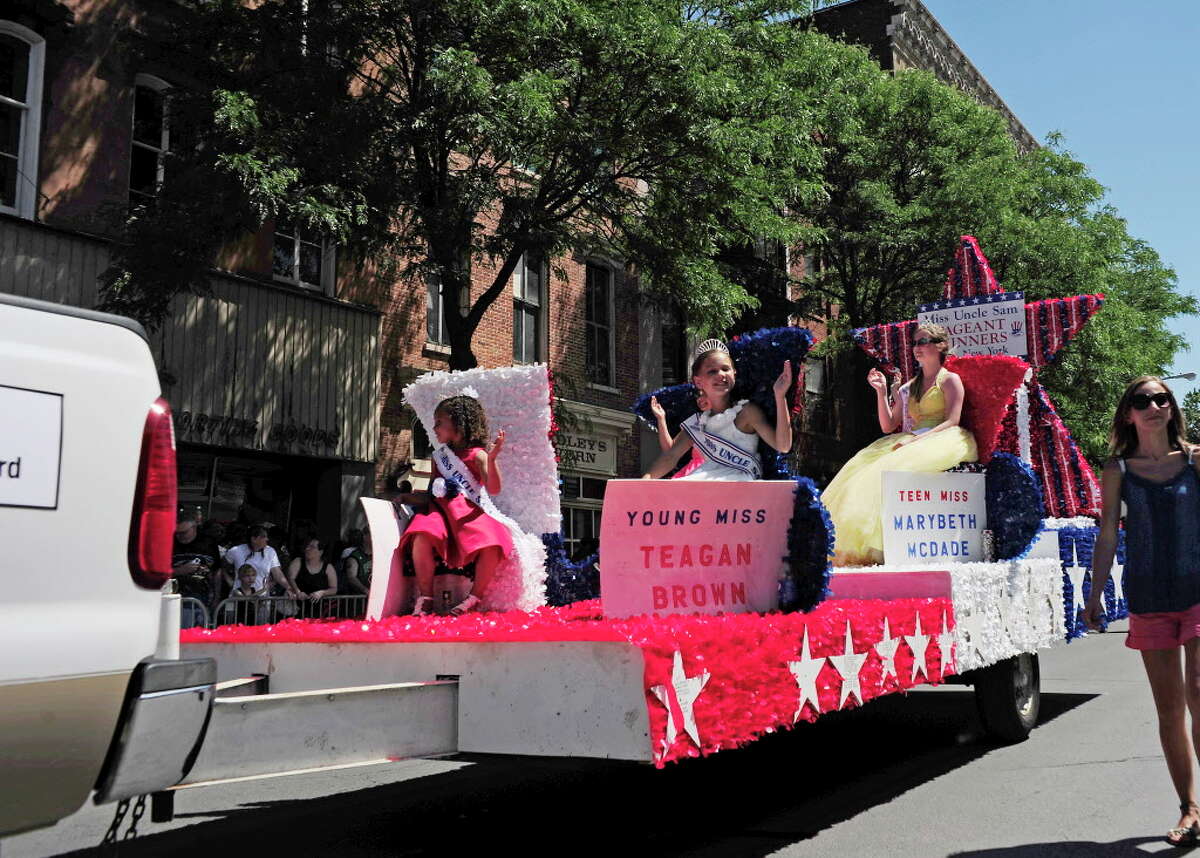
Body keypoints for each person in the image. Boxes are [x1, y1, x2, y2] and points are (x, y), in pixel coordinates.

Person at [1086, 376, 1200, 847]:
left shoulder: (1194, 461)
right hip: (1148, 596)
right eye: (1142, 400)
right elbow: (1109, 532)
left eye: (1161, 398)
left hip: (1198, 590)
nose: (1154, 405)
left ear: (1171, 409)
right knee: (1169, 709)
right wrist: (1094, 595)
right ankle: (1190, 808)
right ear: (1129, 413)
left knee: (1198, 692)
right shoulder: (1118, 468)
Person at [820, 323, 977, 566]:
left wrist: (919, 442)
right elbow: (888, 425)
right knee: (862, 469)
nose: (917, 347)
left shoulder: (950, 380)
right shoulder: (909, 386)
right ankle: (862, 544)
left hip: (943, 437)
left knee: (889, 467)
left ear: (941, 346)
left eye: (923, 342)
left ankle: (887, 543)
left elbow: (952, 421)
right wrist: (881, 393)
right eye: (915, 342)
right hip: (910, 438)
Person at [397, 395, 514, 616]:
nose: (435, 427)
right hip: (439, 513)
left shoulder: (478, 455)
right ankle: (426, 597)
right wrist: (405, 498)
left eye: (439, 422)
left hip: (466, 514)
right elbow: (429, 493)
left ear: (458, 422)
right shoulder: (440, 456)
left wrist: (492, 459)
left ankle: (474, 598)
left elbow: (494, 488)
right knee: (421, 534)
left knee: (494, 541)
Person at [642, 340, 792, 481]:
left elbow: (783, 446)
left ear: (734, 373)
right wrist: (642, 482)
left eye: (725, 369)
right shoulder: (696, 424)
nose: (721, 374)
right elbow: (670, 456)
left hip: (740, 489)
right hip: (703, 483)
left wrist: (780, 396)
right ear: (698, 381)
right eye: (712, 371)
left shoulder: (747, 413)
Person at [224, 525, 293, 597]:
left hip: (261, 600)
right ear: (254, 539)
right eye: (264, 537)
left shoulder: (270, 551)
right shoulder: (236, 550)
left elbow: (277, 573)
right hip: (239, 598)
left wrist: (288, 587)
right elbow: (223, 566)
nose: (267, 539)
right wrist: (230, 582)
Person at [171, 510, 221, 609]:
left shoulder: (208, 542)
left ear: (194, 528)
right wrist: (179, 570)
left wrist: (217, 597)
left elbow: (217, 571)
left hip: (204, 597)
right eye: (177, 533)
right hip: (174, 597)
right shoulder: (169, 541)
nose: (179, 536)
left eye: (184, 532)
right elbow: (157, 573)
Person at [287, 537, 339, 617]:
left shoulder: (328, 567)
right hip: (296, 610)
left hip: (318, 612)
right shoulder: (298, 561)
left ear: (320, 552)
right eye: (307, 546)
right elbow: (290, 578)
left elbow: (334, 588)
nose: (307, 548)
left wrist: (321, 593)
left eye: (312, 547)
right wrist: (298, 592)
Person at [342, 528, 372, 597]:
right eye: (372, 535)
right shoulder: (355, 556)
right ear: (365, 537)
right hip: (358, 602)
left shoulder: (378, 556)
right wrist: (366, 590)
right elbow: (351, 577)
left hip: (376, 601)